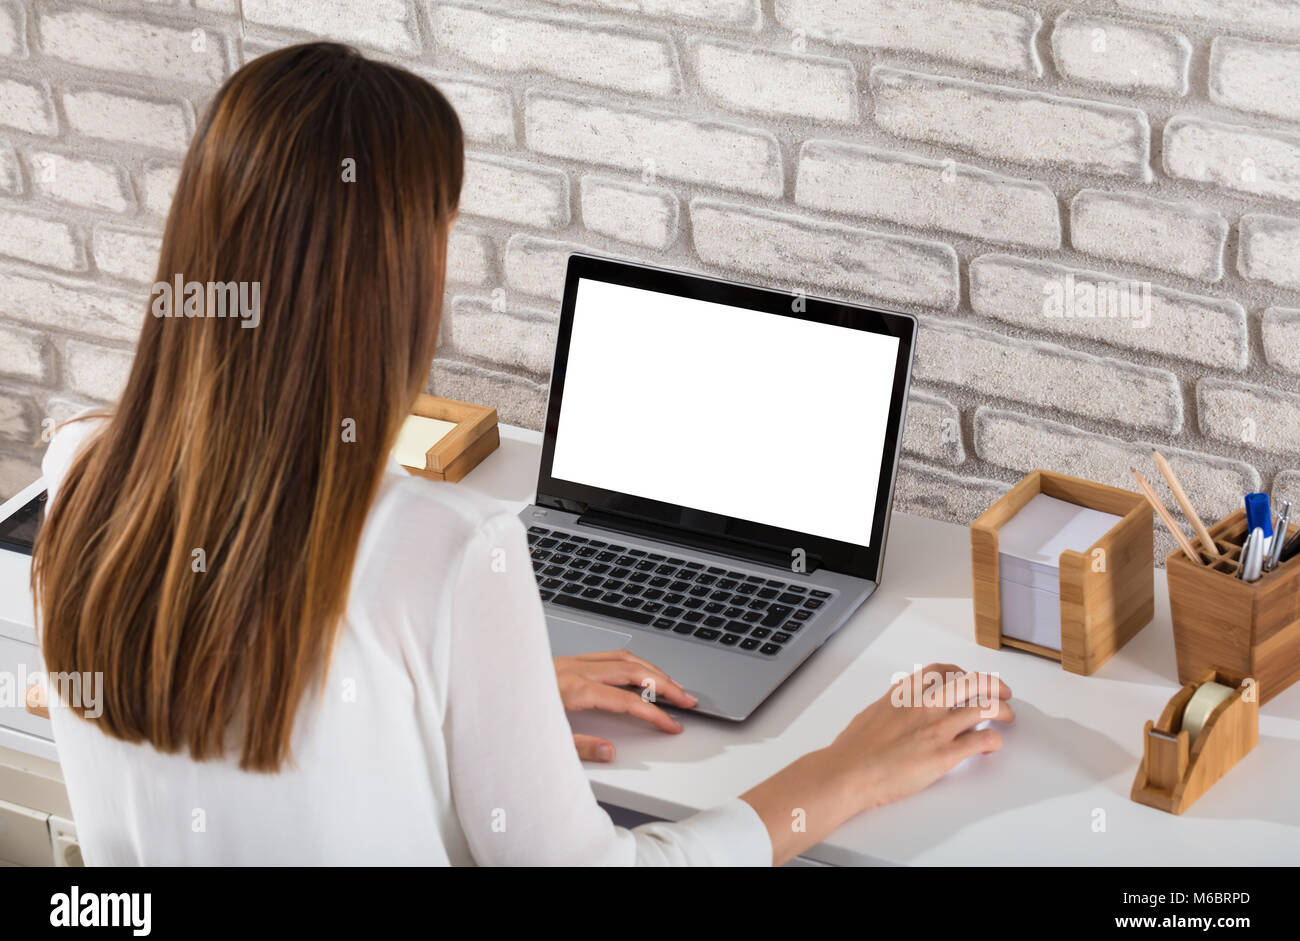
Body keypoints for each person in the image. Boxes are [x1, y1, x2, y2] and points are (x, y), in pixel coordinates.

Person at [33, 42, 1013, 866]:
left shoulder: (77, 473)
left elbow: (253, 709)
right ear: (398, 276)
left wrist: (462, 693)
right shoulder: (443, 547)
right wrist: (842, 772)